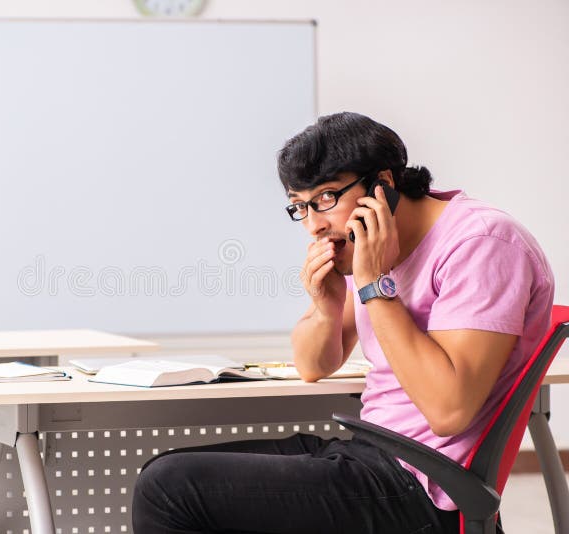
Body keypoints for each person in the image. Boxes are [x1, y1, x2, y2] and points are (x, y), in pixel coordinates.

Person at [131, 112, 554, 533]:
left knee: (169, 490)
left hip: (424, 486)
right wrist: (325, 307)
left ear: (382, 185)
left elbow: (449, 411)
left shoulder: (481, 244)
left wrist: (373, 284)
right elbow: (314, 365)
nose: (315, 224)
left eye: (327, 197)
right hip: (372, 452)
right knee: (163, 469)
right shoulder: (373, 245)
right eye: (301, 206)